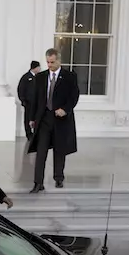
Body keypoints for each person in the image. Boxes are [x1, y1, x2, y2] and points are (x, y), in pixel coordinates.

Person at [28, 48, 79, 193]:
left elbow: (74, 97)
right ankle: (38, 182)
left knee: (59, 150)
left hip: (61, 119)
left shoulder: (69, 77)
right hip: (44, 119)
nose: (49, 65)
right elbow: (35, 99)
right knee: (41, 151)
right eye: (48, 62)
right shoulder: (41, 77)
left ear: (59, 60)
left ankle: (58, 178)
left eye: (52, 62)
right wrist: (32, 118)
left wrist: (65, 109)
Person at [17, 61, 41, 140]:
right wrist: (23, 100)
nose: (40, 69)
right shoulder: (26, 77)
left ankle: (36, 133)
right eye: (38, 67)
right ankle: (29, 134)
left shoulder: (39, 77)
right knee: (27, 118)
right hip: (28, 103)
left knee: (37, 118)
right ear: (35, 68)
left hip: (38, 102)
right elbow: (21, 89)